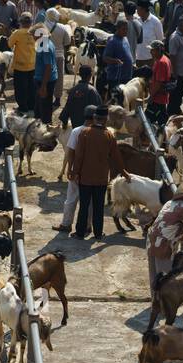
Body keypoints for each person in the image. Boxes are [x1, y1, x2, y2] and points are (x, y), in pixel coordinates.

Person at [71, 104, 123, 241]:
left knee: (83, 206)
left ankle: (80, 233)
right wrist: (125, 172)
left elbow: (79, 156)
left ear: (94, 118)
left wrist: (75, 172)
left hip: (85, 178)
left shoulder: (84, 133)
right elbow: (116, 158)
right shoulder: (109, 136)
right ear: (105, 119)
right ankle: (98, 234)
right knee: (99, 207)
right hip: (101, 179)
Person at [147, 180, 183, 283]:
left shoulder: (169, 203)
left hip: (152, 240)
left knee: (155, 278)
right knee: (165, 280)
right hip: (163, 245)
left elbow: (169, 225)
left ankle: (155, 298)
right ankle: (164, 299)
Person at [55, 105, 96, 233]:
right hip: (91, 171)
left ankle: (66, 224)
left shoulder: (76, 131)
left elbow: (70, 152)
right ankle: (88, 226)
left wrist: (70, 170)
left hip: (76, 170)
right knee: (89, 201)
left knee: (71, 198)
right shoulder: (98, 132)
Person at [59, 65, 101, 131]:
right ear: (90, 75)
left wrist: (64, 123)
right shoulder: (92, 91)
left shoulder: (73, 90)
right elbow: (99, 110)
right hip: (89, 129)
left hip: (76, 128)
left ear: (80, 75)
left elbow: (67, 107)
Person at [9, 13, 36, 115]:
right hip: (32, 65)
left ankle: (23, 107)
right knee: (31, 87)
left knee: (20, 88)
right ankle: (31, 107)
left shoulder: (17, 33)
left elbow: (9, 44)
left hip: (20, 66)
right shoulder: (35, 32)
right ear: (31, 23)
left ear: (21, 22)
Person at [166, 15, 183, 117]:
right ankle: (171, 113)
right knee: (175, 94)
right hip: (178, 72)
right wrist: (174, 72)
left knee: (180, 92)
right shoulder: (175, 37)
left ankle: (177, 109)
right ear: (181, 24)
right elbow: (172, 56)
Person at [33, 26, 58, 125]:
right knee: (39, 107)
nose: (33, 37)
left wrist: (43, 86)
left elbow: (48, 67)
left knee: (45, 108)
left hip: (45, 81)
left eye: (34, 34)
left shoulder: (46, 46)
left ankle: (46, 127)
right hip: (41, 79)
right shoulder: (42, 43)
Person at [145, 39, 171, 128]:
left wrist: (151, 96)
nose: (150, 52)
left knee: (147, 122)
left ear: (158, 50)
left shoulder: (161, 63)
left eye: (152, 50)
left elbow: (159, 83)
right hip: (160, 97)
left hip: (157, 98)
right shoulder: (164, 59)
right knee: (161, 121)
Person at [132, 0, 163, 68]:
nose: (136, 11)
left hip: (150, 60)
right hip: (137, 59)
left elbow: (160, 40)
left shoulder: (156, 22)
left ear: (144, 9)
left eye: (138, 9)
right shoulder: (136, 20)